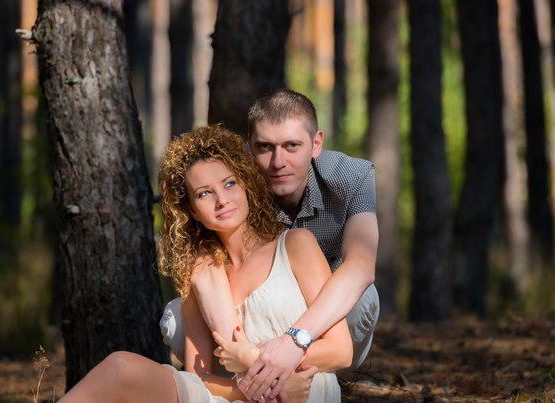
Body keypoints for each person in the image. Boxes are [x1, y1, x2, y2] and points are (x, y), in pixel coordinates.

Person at [58, 125, 352, 403]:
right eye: (204, 193)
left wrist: (258, 363)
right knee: (120, 367)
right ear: (193, 211)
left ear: (246, 185)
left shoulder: (295, 246)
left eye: (229, 184)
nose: (221, 200)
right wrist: (252, 390)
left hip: (302, 392)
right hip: (242, 396)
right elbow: (198, 378)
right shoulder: (202, 273)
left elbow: (341, 350)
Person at [161, 89, 380, 401]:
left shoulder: (350, 177)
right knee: (178, 313)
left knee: (360, 295)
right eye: (265, 147)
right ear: (250, 147)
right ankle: (257, 381)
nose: (278, 162)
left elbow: (360, 265)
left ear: (316, 143)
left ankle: (296, 372)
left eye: (292, 146)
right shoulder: (241, 176)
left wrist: (291, 345)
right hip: (249, 322)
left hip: (326, 314)